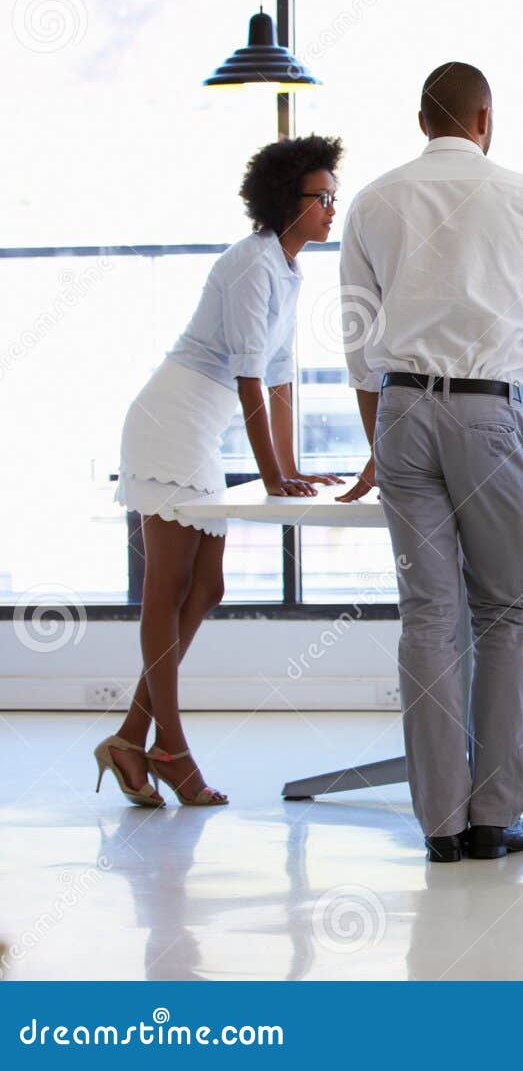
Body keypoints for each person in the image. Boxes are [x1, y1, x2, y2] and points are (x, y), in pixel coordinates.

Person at [337, 62, 523, 863]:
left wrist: (378, 445)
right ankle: (494, 817)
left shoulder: (372, 201)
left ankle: (440, 826)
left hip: (402, 410)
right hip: (489, 413)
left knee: (427, 616)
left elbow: (358, 344)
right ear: (485, 119)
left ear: (423, 120)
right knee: (499, 614)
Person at [98, 136, 346, 809]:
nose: (333, 207)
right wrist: (271, 476)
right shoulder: (250, 264)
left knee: (207, 586)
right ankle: (171, 750)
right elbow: (248, 381)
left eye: (334, 196)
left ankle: (131, 738)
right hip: (170, 425)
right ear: (286, 200)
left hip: (198, 435)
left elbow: (282, 378)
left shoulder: (289, 270)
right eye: (322, 197)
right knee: (168, 587)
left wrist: (290, 469)